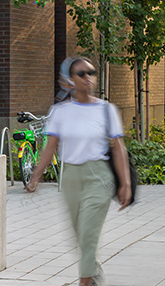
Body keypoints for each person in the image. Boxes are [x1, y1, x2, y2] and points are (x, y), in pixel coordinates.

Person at [25, 57, 131, 286]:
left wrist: (125, 184)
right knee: (78, 233)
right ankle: (92, 271)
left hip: (99, 176)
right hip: (71, 176)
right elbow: (50, 147)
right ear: (70, 80)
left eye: (91, 73)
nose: (88, 77)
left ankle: (85, 282)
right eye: (81, 73)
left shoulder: (106, 109)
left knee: (88, 232)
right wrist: (35, 176)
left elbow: (118, 147)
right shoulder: (60, 112)